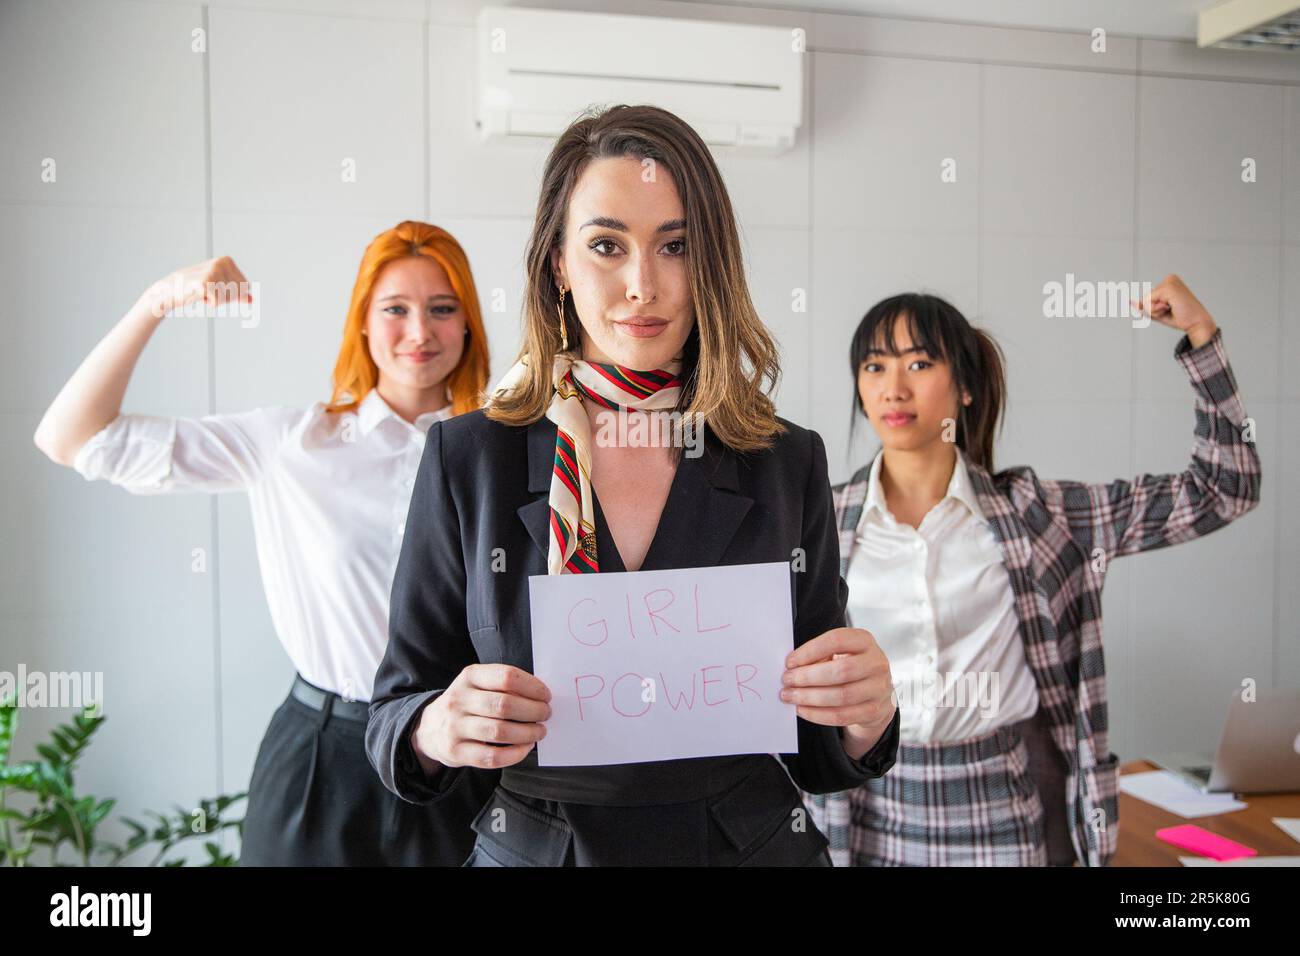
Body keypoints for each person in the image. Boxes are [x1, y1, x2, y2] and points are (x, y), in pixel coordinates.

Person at [365, 104, 902, 866]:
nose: (642, 286)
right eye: (607, 246)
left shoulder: (786, 460)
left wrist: (865, 714)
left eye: (675, 246)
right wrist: (433, 728)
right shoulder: (469, 457)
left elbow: (817, 746)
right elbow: (394, 710)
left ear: (711, 260)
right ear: (558, 264)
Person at [33, 221, 500, 865]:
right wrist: (159, 300)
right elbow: (73, 437)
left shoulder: (498, 453)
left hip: (453, 756)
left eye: (442, 309)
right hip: (323, 757)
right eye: (395, 309)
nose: (420, 332)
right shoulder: (289, 444)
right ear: (362, 323)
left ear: (469, 323)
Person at [803, 277, 1261, 866]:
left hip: (1002, 806)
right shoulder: (822, 522)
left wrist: (1202, 340)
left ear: (965, 387)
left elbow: (1224, 489)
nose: (893, 387)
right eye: (874, 366)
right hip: (866, 804)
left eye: (919, 363)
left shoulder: (1038, 516)